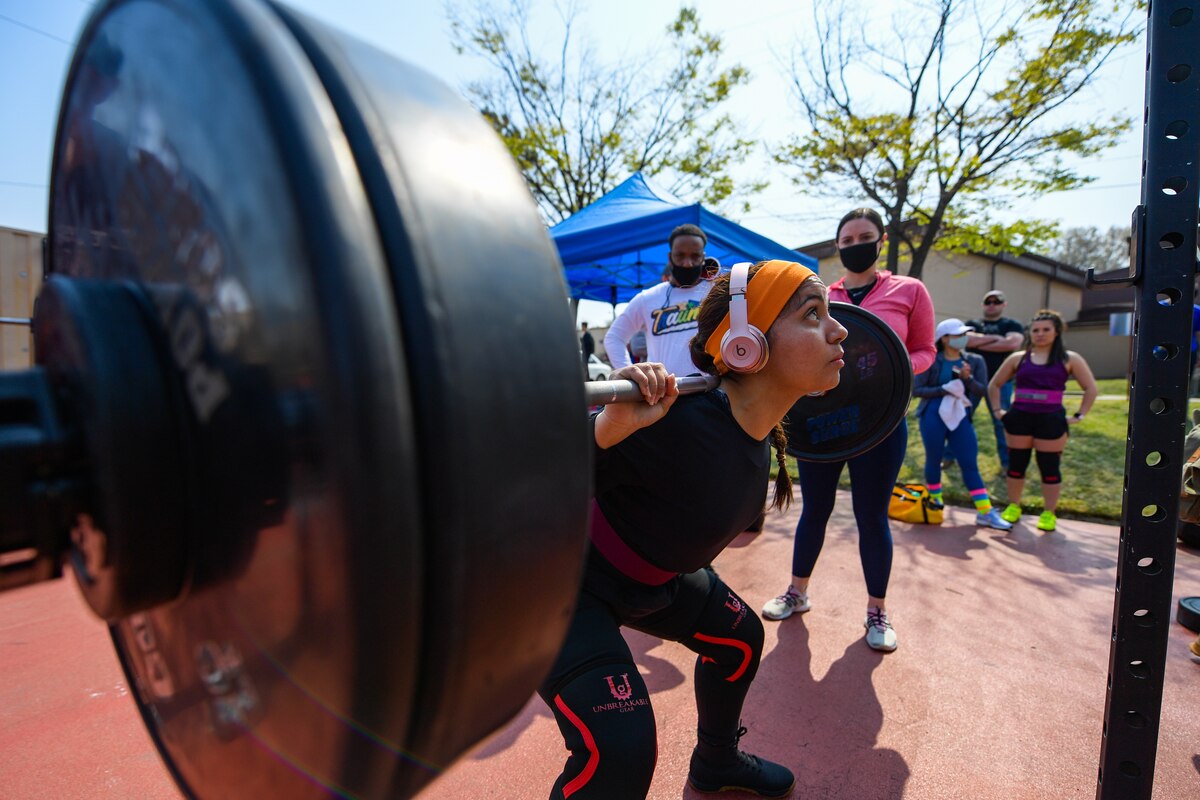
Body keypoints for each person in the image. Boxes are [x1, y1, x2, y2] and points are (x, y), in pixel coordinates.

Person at [541, 260, 846, 799]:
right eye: (813, 314)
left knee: (741, 640)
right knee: (623, 751)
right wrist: (606, 429)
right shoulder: (673, 420)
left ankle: (716, 763)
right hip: (554, 585)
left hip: (654, 578)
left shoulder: (760, 437)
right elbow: (537, 481)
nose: (839, 328)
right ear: (746, 343)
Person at [761, 208, 935, 654]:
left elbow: (925, 350)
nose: (856, 243)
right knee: (813, 511)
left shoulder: (909, 290)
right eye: (847, 237)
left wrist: (894, 375)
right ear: (838, 245)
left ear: (881, 241)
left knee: (871, 516)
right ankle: (797, 592)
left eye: (865, 236)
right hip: (824, 424)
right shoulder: (819, 294)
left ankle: (877, 609)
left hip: (880, 425)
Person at [988, 309, 1099, 532]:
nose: (1040, 334)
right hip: (1019, 419)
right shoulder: (1018, 358)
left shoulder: (1069, 359)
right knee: (1016, 466)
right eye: (1035, 330)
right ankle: (1014, 506)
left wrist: (1079, 415)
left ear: (1056, 332)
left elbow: (1091, 389)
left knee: (1049, 468)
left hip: (1051, 421)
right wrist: (999, 410)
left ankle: (1049, 513)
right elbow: (994, 385)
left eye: (1046, 329)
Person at [912, 318, 1012, 530]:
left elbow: (982, 390)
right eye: (957, 335)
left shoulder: (975, 361)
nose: (962, 338)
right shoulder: (932, 360)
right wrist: (944, 389)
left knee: (969, 462)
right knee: (934, 458)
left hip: (960, 415)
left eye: (963, 334)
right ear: (944, 339)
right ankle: (935, 502)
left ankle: (985, 511)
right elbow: (916, 390)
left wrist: (967, 379)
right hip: (932, 413)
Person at [603, 223, 719, 376]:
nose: (687, 263)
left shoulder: (715, 293)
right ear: (670, 258)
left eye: (695, 256)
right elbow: (614, 337)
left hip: (710, 393)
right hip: (664, 396)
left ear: (703, 258)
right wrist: (631, 374)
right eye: (680, 256)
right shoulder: (649, 298)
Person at [960, 290, 1025, 468]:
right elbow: (965, 341)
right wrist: (997, 339)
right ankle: (950, 456)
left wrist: (980, 341)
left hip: (1000, 382)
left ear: (1003, 305)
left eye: (996, 302)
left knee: (1001, 421)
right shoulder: (972, 323)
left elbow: (1013, 343)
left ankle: (1007, 463)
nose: (992, 305)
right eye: (988, 302)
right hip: (970, 380)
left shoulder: (1011, 324)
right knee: (961, 419)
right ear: (983, 304)